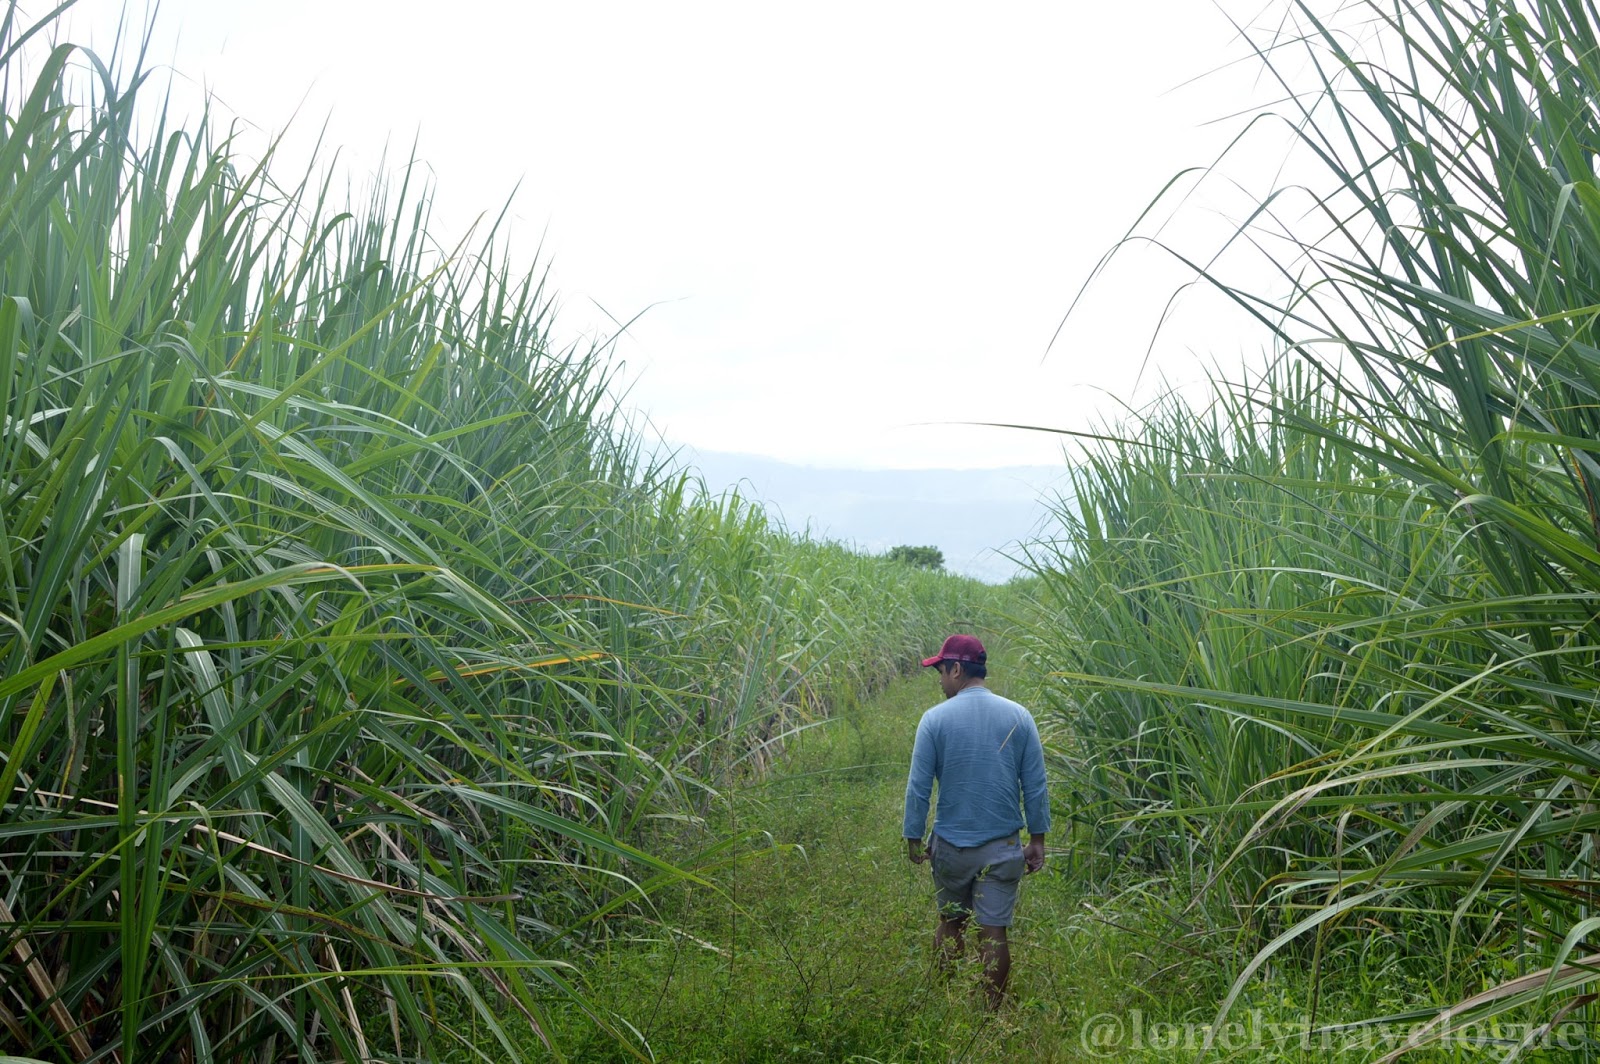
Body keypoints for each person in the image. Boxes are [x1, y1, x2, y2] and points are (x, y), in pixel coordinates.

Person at [903, 634, 1049, 1008]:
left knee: (951, 922)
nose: (938, 680)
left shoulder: (934, 720)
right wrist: (1037, 839)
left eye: (940, 670)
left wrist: (913, 837)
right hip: (1002, 848)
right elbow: (1034, 785)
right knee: (994, 932)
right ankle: (988, 1014)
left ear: (957, 669)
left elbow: (919, 787)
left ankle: (942, 1005)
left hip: (951, 848)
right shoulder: (1019, 716)